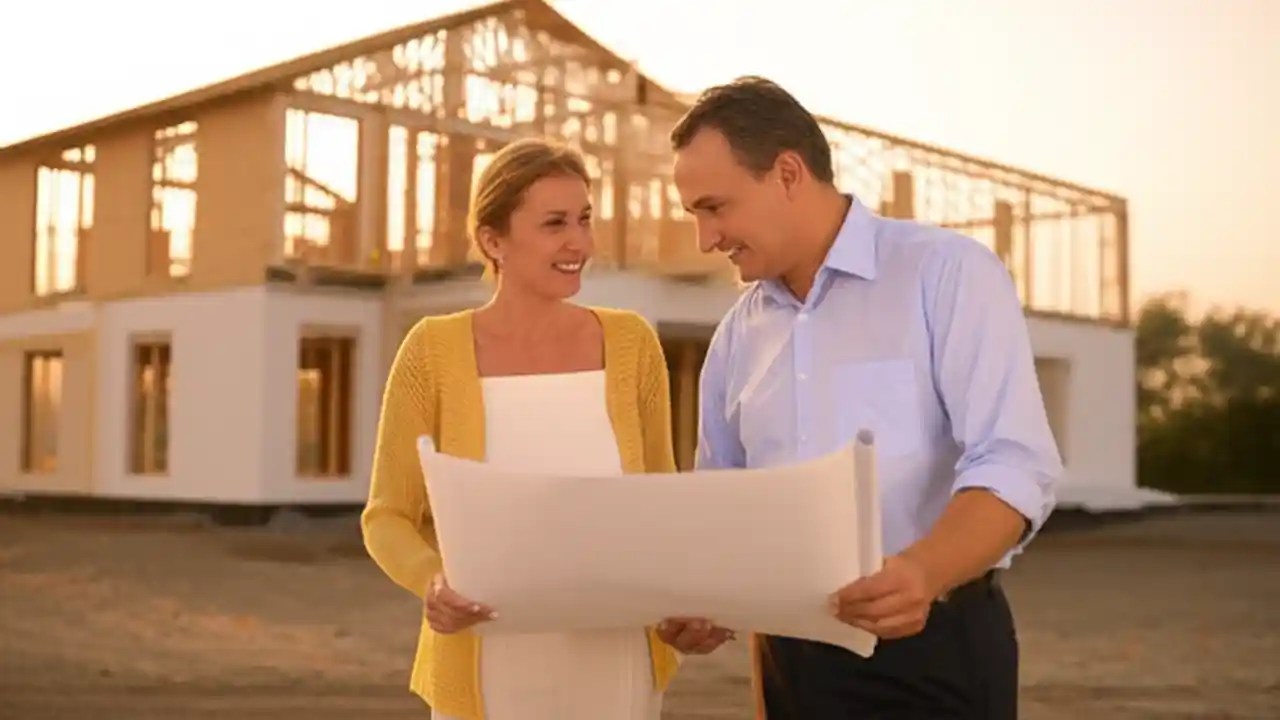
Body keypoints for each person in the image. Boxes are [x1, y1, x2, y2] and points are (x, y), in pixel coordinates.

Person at [662, 76, 1063, 719]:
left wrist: (924, 572)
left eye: (716, 208)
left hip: (934, 649)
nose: (707, 239)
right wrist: (705, 596)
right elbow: (723, 498)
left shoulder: (947, 273)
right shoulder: (738, 333)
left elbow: (1015, 462)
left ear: (788, 173)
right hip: (787, 663)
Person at [360, 137, 684, 720]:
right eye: (554, 223)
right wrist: (432, 581)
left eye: (585, 220)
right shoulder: (432, 352)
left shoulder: (632, 344)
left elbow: (662, 501)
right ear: (493, 240)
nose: (578, 243)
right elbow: (386, 516)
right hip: (488, 661)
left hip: (614, 656)